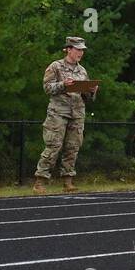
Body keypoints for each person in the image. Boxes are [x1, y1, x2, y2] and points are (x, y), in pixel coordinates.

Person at [33, 37, 96, 194]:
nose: (81, 52)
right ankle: (40, 182)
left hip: (77, 113)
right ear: (69, 49)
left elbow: (87, 97)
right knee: (53, 146)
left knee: (72, 147)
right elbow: (47, 88)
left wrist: (91, 91)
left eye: (82, 50)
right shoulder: (56, 66)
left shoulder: (82, 71)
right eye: (78, 49)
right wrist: (63, 85)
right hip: (58, 112)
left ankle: (68, 182)